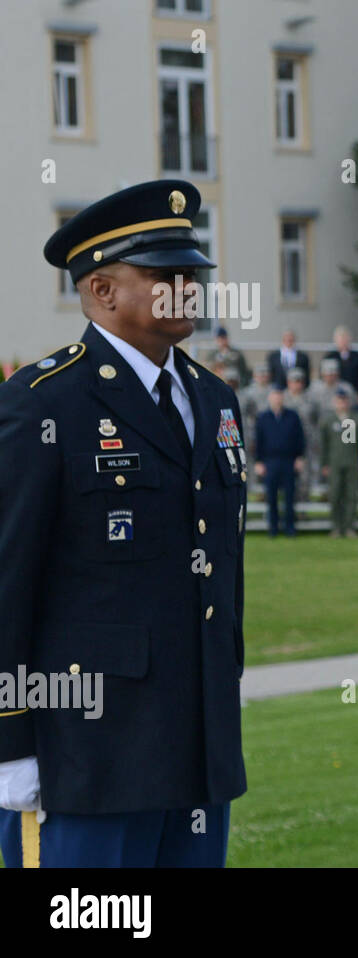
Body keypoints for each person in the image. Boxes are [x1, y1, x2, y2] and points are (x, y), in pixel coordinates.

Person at [0, 179, 247, 867]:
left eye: (194, 273)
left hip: (196, 751)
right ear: (103, 291)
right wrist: (10, 743)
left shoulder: (214, 397)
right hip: (86, 758)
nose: (188, 288)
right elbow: (8, 580)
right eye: (165, 276)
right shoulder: (43, 403)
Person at [255, 386, 305, 537]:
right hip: (270, 462)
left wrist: (300, 457)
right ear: (270, 398)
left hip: (289, 461)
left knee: (290, 496)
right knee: (271, 497)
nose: (277, 399)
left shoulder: (292, 416)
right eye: (275, 396)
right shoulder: (263, 417)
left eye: (280, 396)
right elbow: (258, 441)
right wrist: (258, 461)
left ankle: (290, 527)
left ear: (283, 398)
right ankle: (273, 528)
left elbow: (300, 438)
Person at [321, 388, 358, 538]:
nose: (342, 404)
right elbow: (323, 444)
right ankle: (336, 527)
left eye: (344, 400)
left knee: (351, 495)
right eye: (339, 400)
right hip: (334, 463)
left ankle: (350, 526)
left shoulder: (355, 419)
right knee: (335, 494)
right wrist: (324, 464)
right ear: (334, 402)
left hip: (351, 462)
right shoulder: (328, 421)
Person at [283, 367, 320, 500]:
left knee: (305, 477)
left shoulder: (310, 399)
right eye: (294, 381)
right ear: (288, 382)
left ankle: (303, 508)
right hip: (286, 444)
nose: (297, 384)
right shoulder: (283, 398)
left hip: (306, 443)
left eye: (299, 381)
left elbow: (315, 421)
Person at [323, 325, 358, 394]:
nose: (343, 341)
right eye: (340, 339)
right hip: (334, 394)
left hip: (355, 393)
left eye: (345, 339)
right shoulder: (330, 357)